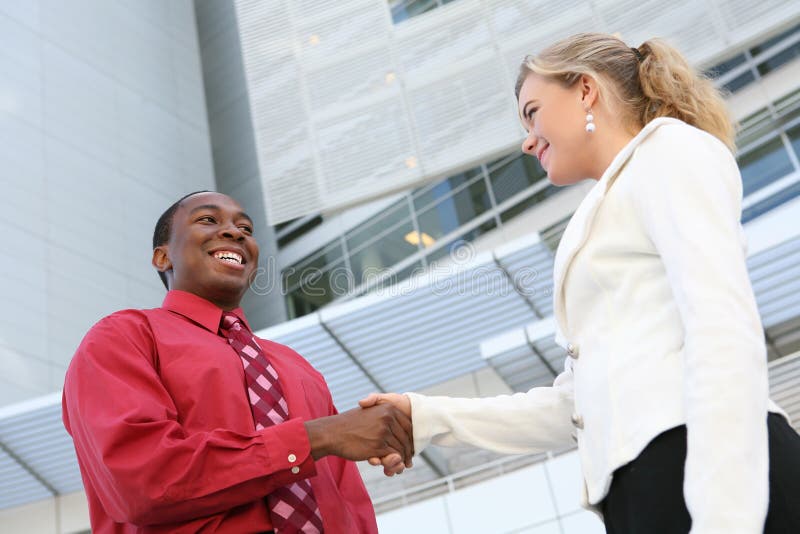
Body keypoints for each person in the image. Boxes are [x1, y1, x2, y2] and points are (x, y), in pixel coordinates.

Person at [361, 33, 800, 533]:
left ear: (586, 90)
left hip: (708, 471)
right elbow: (577, 404)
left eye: (532, 112)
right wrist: (424, 416)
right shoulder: (618, 196)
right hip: (645, 486)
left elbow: (722, 321)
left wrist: (726, 518)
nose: (528, 140)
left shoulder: (667, 150)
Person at [62, 191, 413, 533]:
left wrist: (379, 431)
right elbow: (143, 482)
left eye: (246, 229)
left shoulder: (299, 367)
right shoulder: (123, 337)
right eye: (208, 220)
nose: (234, 232)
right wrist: (318, 437)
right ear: (162, 258)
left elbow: (349, 502)